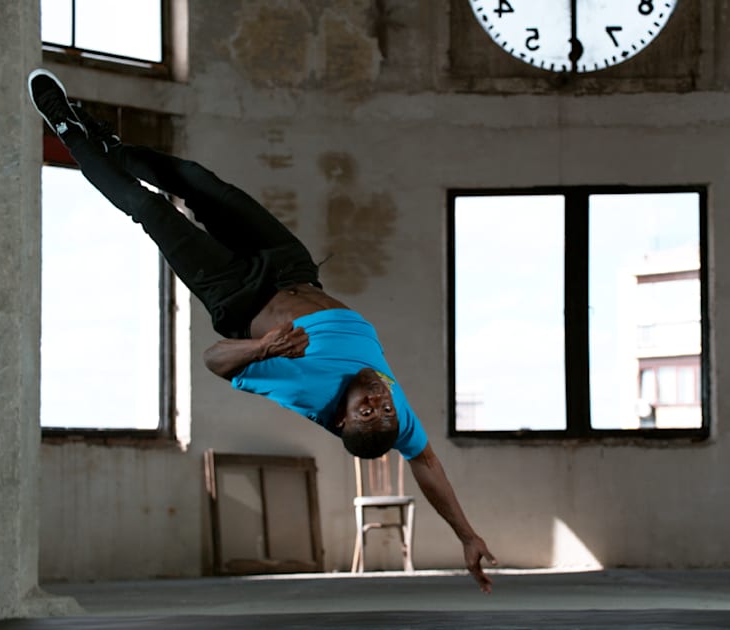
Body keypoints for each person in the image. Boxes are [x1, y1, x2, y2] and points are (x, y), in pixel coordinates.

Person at [27, 69, 497, 592]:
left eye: (367, 411)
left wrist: (261, 347)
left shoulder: (306, 391)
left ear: (341, 419)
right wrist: (467, 534)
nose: (379, 402)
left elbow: (213, 359)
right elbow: (426, 463)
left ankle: (67, 132)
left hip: (233, 292)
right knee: (196, 180)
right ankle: (110, 146)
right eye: (385, 408)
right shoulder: (395, 414)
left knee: (148, 206)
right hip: (289, 266)